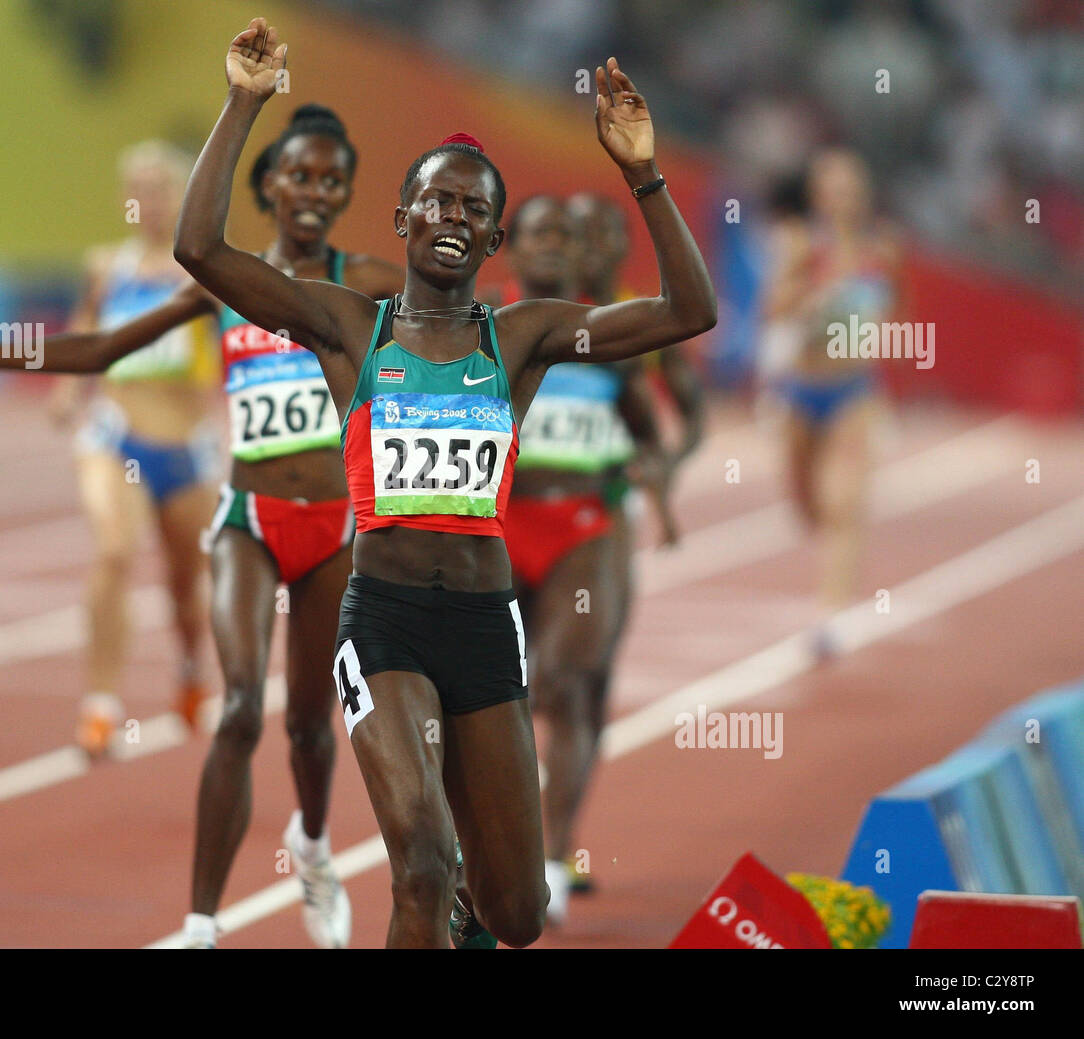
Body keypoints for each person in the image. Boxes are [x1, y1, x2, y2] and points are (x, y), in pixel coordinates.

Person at [171, 17, 715, 949]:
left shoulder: (527, 336)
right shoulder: (350, 327)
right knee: (419, 858)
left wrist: (643, 174)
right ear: (402, 218)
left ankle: (468, 913)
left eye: (473, 210)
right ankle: (432, 901)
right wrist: (242, 104)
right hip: (380, 618)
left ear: (495, 234)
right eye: (437, 203)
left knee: (517, 915)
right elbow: (202, 251)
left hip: (483, 624)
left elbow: (688, 312)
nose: (454, 219)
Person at [0, 103, 405, 949]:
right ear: (269, 186)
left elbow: (451, 335)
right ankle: (199, 921)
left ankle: (316, 848)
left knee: (307, 721)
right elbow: (102, 350)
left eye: (332, 179)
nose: (314, 190)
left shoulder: (366, 282)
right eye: (298, 173)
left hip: (334, 525)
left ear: (345, 195)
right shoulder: (226, 282)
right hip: (249, 516)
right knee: (238, 711)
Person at [500, 194, 706, 925]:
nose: (567, 247)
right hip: (498, 525)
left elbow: (660, 428)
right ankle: (514, 841)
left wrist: (658, 467)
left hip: (587, 522)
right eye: (548, 233)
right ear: (511, 247)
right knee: (503, 693)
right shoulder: (484, 328)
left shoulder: (612, 331)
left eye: (575, 235)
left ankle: (553, 855)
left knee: (567, 679)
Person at [49, 140, 221, 758]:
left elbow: (237, 348)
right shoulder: (106, 266)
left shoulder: (207, 273)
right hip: (114, 434)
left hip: (185, 447)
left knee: (184, 584)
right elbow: (85, 333)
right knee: (115, 552)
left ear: (181, 197)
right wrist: (70, 394)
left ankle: (191, 667)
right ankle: (100, 705)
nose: (148, 200)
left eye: (161, 188)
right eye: (139, 188)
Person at [761, 148, 899, 658]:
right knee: (806, 506)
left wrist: (873, 327)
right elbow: (771, 309)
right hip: (800, 389)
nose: (842, 198)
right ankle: (830, 588)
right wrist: (813, 288)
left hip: (853, 390)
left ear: (862, 195)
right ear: (818, 195)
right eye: (832, 189)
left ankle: (830, 616)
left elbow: (898, 305)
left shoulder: (882, 246)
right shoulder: (798, 243)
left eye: (850, 189)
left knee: (845, 506)